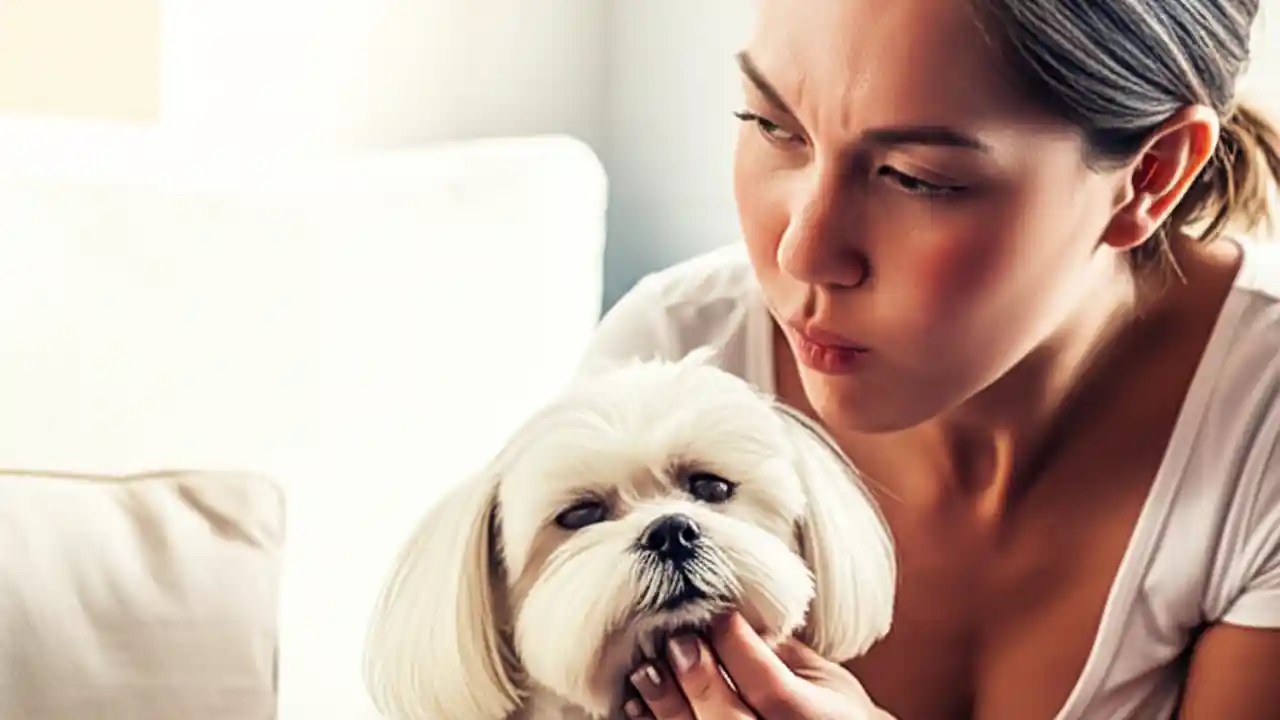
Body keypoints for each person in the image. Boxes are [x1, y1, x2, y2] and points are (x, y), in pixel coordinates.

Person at [573, 0, 1280, 718]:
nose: (803, 254)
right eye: (772, 125)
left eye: (916, 177)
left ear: (1151, 175)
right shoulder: (679, 359)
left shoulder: (1261, 432)